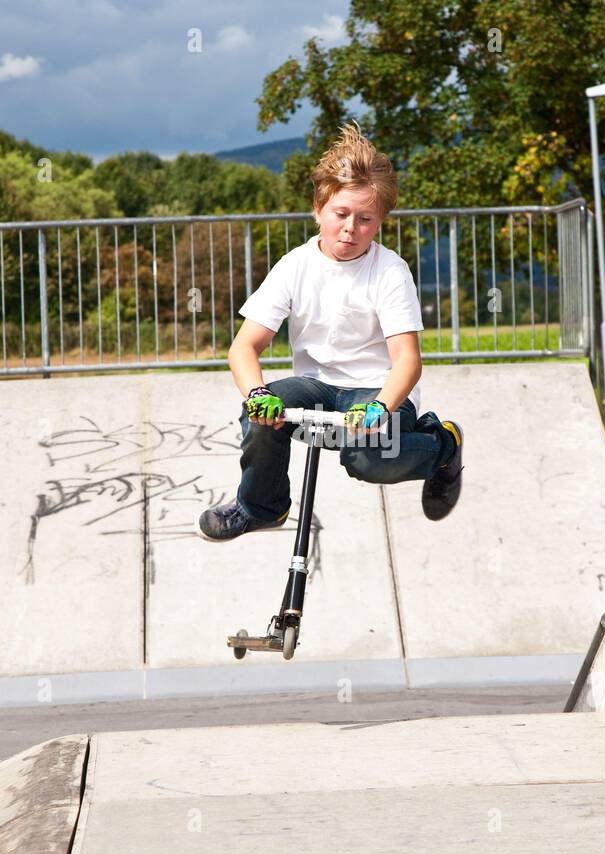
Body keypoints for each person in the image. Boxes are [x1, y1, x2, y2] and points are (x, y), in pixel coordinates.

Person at [196, 121, 464, 542]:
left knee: (366, 460)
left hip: (378, 393)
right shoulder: (295, 266)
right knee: (263, 413)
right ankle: (261, 506)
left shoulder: (389, 271)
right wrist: (257, 394)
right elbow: (245, 347)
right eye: (341, 214)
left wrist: (380, 409)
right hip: (318, 390)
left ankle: (443, 446)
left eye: (365, 219)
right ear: (318, 208)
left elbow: (408, 361)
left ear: (380, 222)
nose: (350, 229)